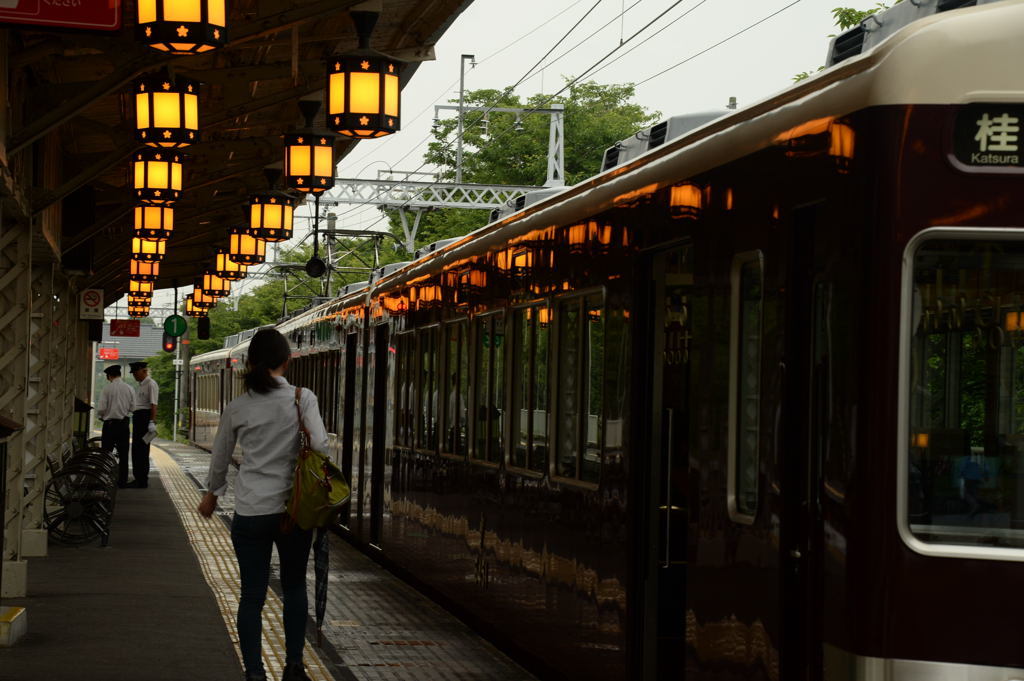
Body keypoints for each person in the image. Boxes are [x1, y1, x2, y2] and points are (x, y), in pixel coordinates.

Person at [197, 329, 327, 681]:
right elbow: (321, 445)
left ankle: (255, 672)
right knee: (295, 586)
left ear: (251, 363)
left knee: (252, 594)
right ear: (286, 361)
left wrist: (213, 493)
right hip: (293, 510)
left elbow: (221, 455)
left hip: (252, 509)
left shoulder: (238, 406)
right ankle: (294, 666)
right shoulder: (303, 398)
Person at [96, 364, 135, 488]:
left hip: (110, 425)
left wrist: (101, 416)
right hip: (123, 424)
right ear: (120, 375)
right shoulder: (130, 388)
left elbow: (102, 408)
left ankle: (104, 480)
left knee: (106, 454)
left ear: (109, 376)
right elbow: (133, 408)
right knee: (123, 455)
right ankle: (122, 482)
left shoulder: (107, 389)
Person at [129, 361, 158, 488]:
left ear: (143, 371)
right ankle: (138, 477)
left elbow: (153, 405)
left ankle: (142, 479)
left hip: (144, 417)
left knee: (142, 449)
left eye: (136, 373)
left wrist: (151, 421)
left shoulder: (151, 384)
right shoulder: (141, 384)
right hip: (138, 416)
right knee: (136, 449)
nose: (134, 376)